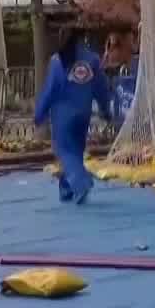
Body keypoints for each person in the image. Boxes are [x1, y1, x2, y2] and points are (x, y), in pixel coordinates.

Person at [33, 27, 115, 204]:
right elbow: (101, 87)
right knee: (75, 152)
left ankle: (80, 182)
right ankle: (66, 189)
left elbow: (50, 90)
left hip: (62, 115)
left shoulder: (58, 61)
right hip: (83, 114)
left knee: (64, 151)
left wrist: (39, 114)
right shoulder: (92, 59)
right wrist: (105, 110)